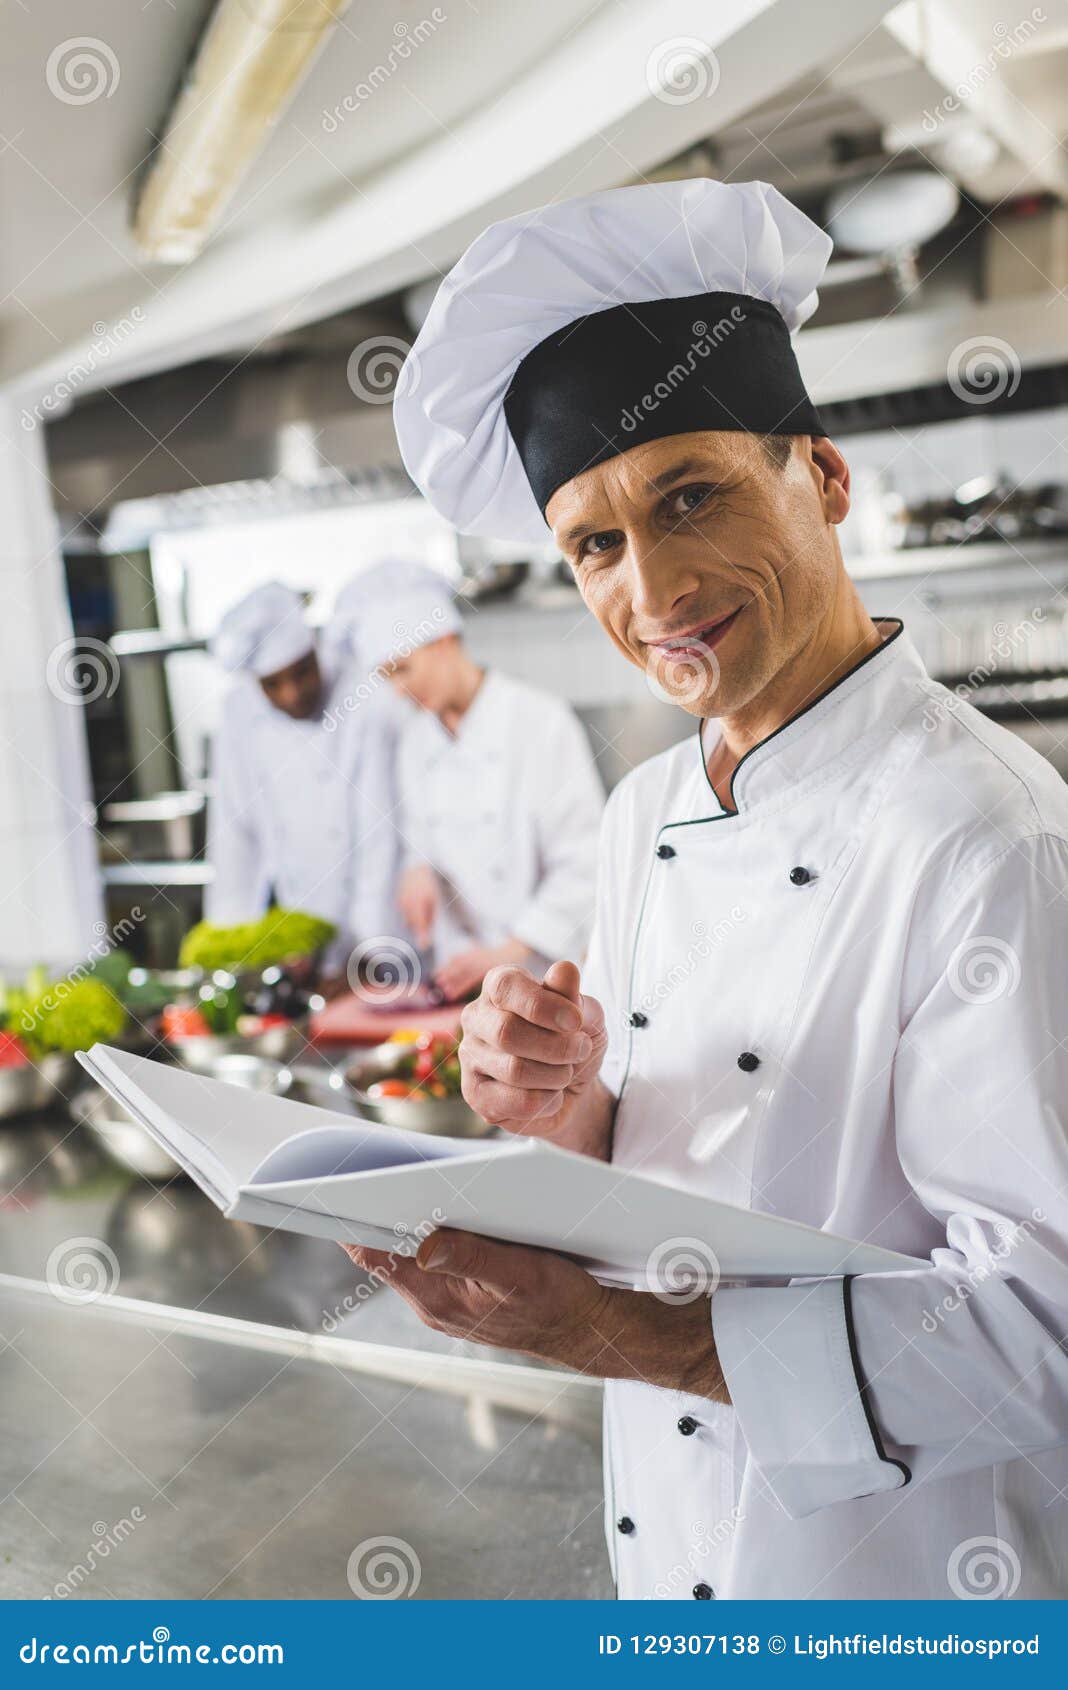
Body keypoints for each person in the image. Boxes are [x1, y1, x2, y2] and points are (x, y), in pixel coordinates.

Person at [339, 179, 1068, 1601]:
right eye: (596, 543)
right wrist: (563, 1104)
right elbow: (676, 1149)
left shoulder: (988, 838)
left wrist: (612, 1337)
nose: (655, 586)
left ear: (827, 476)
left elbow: (1041, 1339)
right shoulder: (641, 812)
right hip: (675, 1548)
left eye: (692, 496)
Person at [343, 559, 604, 1002]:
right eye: (385, 677)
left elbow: (585, 863)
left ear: (443, 641)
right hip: (466, 981)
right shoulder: (416, 739)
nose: (398, 691)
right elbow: (422, 837)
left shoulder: (539, 721)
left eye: (402, 668)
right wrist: (418, 869)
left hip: (551, 974)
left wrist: (512, 951)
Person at [207, 580, 401, 981]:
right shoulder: (238, 712)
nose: (293, 694)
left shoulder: (362, 693)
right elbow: (234, 833)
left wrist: (366, 951)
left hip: (384, 929)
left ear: (313, 648)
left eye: (301, 673)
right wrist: (231, 951)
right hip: (302, 930)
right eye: (273, 685)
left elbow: (379, 836)